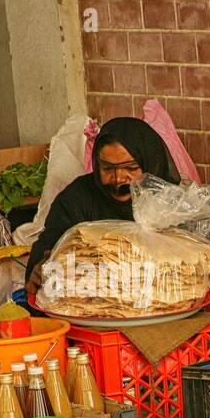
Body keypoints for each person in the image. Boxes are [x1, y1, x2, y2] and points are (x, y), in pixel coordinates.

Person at [24, 117, 181, 296]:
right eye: (107, 168)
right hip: (90, 302)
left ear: (151, 164)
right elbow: (47, 247)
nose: (118, 178)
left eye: (130, 168)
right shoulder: (77, 199)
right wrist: (41, 268)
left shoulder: (170, 201)